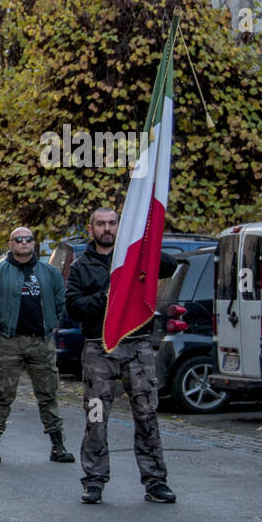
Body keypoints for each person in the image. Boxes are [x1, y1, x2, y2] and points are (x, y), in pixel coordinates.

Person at [65, 207, 178, 505]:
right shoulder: (81, 266)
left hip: (137, 345)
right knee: (96, 415)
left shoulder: (135, 256)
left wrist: (143, 246)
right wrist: (105, 296)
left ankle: (155, 481)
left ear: (120, 227)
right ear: (91, 229)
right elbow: (74, 307)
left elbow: (170, 265)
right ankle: (94, 481)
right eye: (101, 224)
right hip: (99, 346)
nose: (107, 229)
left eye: (113, 223)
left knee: (146, 413)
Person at [0, 226, 74, 465]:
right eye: (18, 239)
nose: (23, 243)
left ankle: (58, 445)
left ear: (34, 244)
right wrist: (2, 320)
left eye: (28, 239)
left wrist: (50, 322)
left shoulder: (48, 273)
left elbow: (60, 300)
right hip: (9, 341)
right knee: (2, 393)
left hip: (41, 341)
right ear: (10, 244)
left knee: (48, 393)